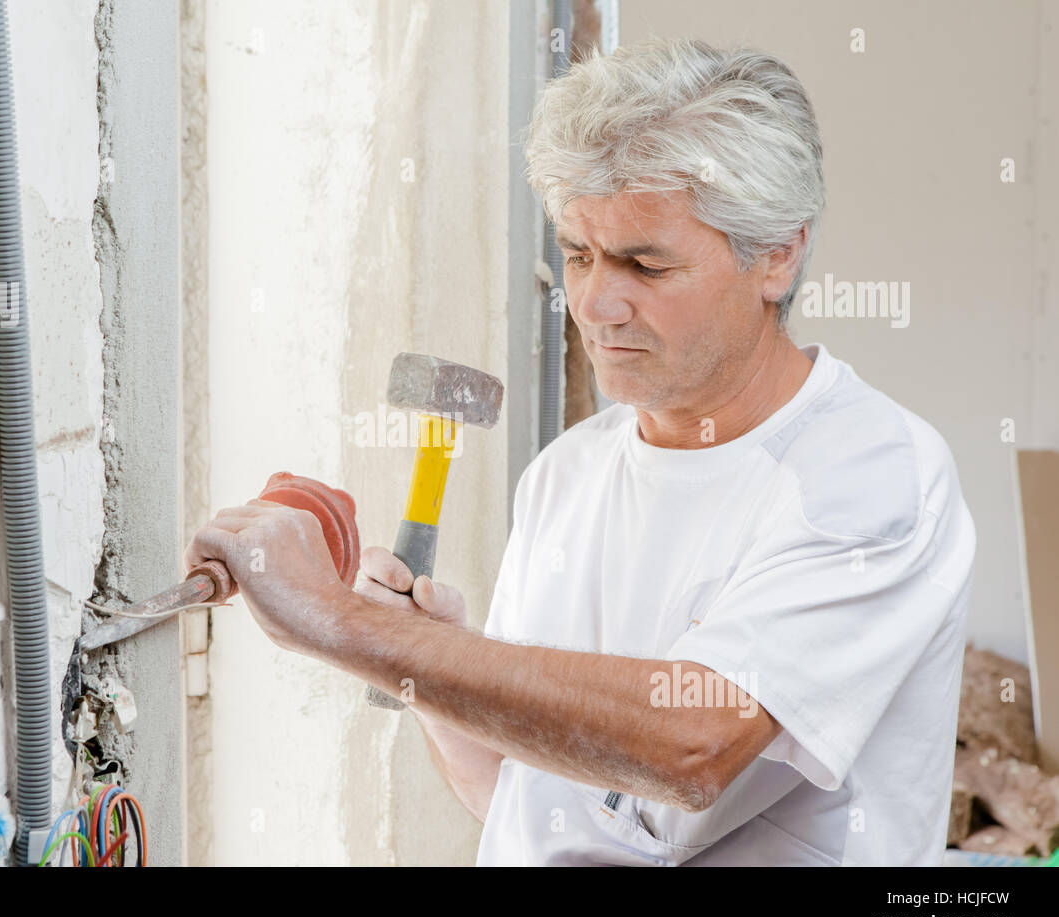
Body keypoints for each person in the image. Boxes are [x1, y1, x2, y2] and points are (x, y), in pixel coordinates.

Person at [184, 37, 976, 865]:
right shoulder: (569, 473)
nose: (595, 301)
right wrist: (429, 676)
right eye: (577, 253)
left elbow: (694, 744)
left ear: (777, 254)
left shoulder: (874, 475)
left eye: (645, 263)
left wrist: (343, 625)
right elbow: (521, 805)